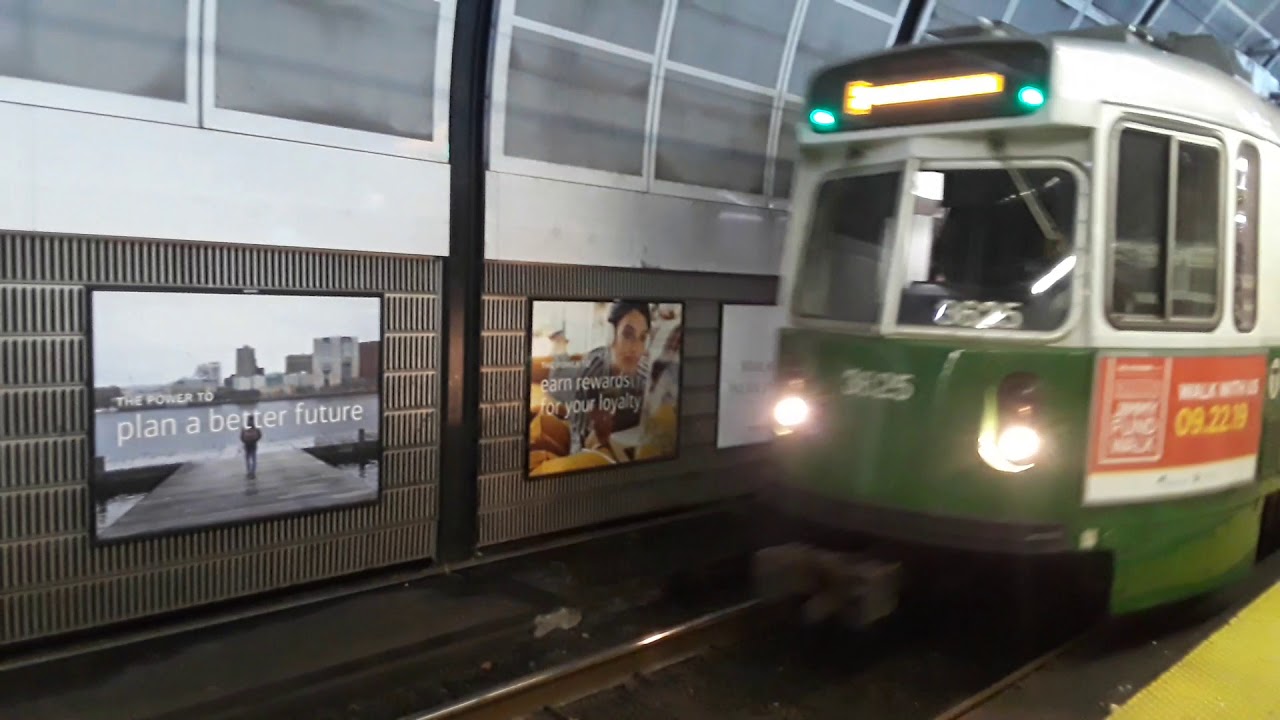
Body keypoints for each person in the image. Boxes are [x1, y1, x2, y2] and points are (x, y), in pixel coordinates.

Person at [570, 301, 652, 453]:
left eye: (642, 337)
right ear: (611, 335)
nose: (636, 348)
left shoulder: (647, 375)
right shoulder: (592, 369)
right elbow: (577, 436)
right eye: (628, 335)